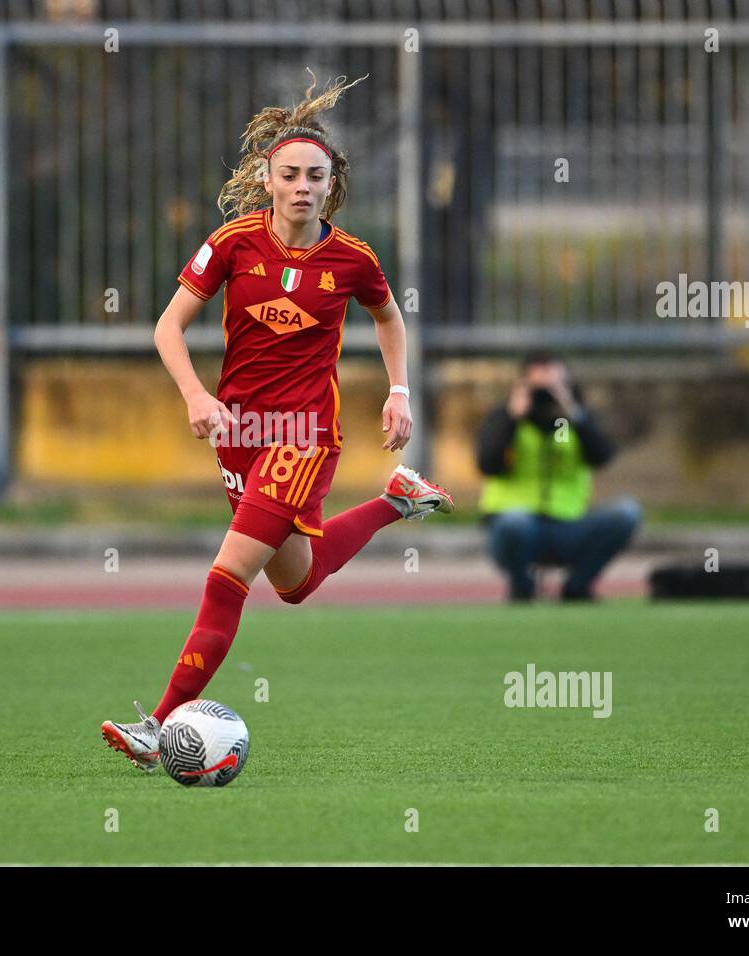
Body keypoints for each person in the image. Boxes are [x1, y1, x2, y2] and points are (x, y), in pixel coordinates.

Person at [101, 72, 454, 772]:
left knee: (226, 577)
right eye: (289, 173)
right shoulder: (232, 244)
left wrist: (399, 390)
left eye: (314, 176)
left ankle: (159, 723)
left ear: (331, 185)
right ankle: (395, 499)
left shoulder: (353, 260)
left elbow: (388, 315)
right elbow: (168, 328)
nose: (301, 185)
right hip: (239, 435)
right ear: (267, 177)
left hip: (303, 437)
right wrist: (197, 397)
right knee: (294, 582)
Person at [476, 350, 641, 602]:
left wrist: (574, 414)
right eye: (538, 388)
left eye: (553, 387)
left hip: (569, 526)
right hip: (518, 529)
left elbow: (603, 455)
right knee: (514, 523)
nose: (545, 396)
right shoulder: (502, 419)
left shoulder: (577, 419)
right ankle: (522, 588)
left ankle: (577, 587)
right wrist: (512, 418)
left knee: (627, 513)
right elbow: (487, 463)